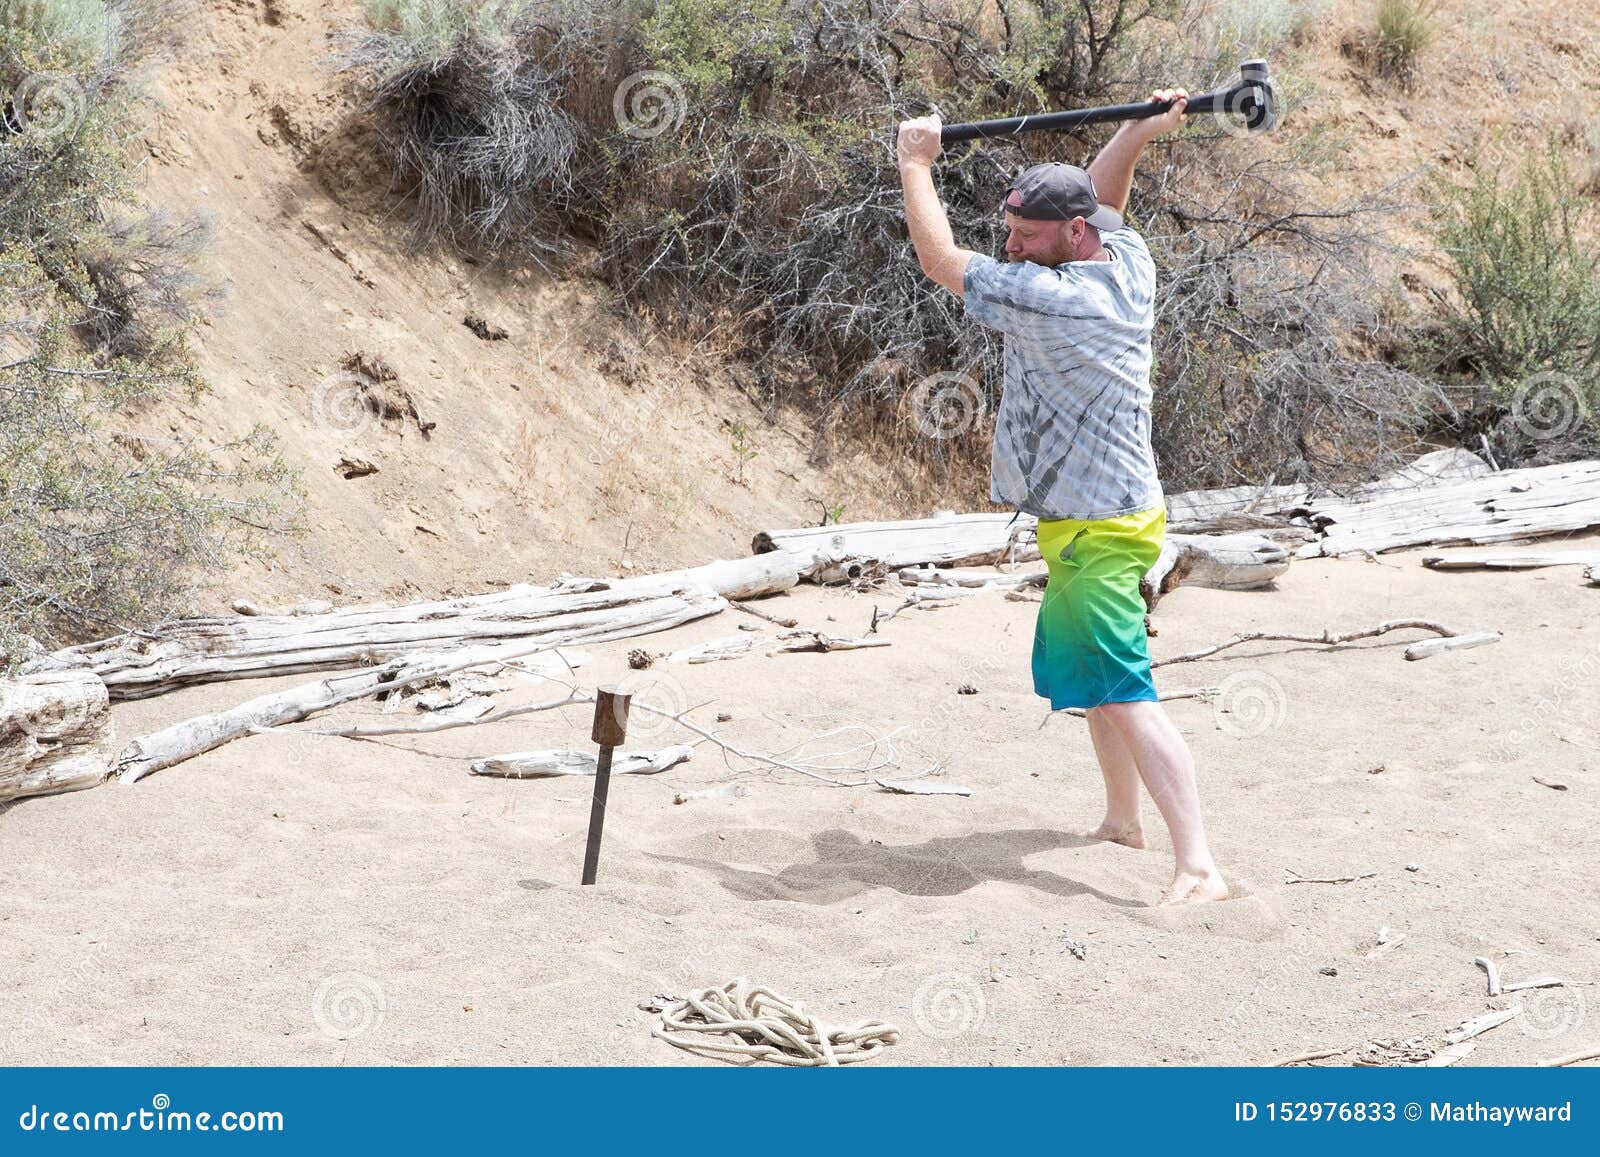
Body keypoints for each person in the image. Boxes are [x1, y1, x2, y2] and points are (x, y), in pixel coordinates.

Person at [896, 90, 1227, 905]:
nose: (1010, 247)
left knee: (1125, 690)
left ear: (1068, 237)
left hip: (1103, 527)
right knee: (1095, 683)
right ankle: (1123, 819)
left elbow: (941, 260)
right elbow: (1106, 195)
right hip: (1104, 514)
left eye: (1025, 236)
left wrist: (913, 163)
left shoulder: (1058, 299)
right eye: (1009, 232)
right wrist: (1140, 130)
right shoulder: (1124, 261)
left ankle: (1200, 865)